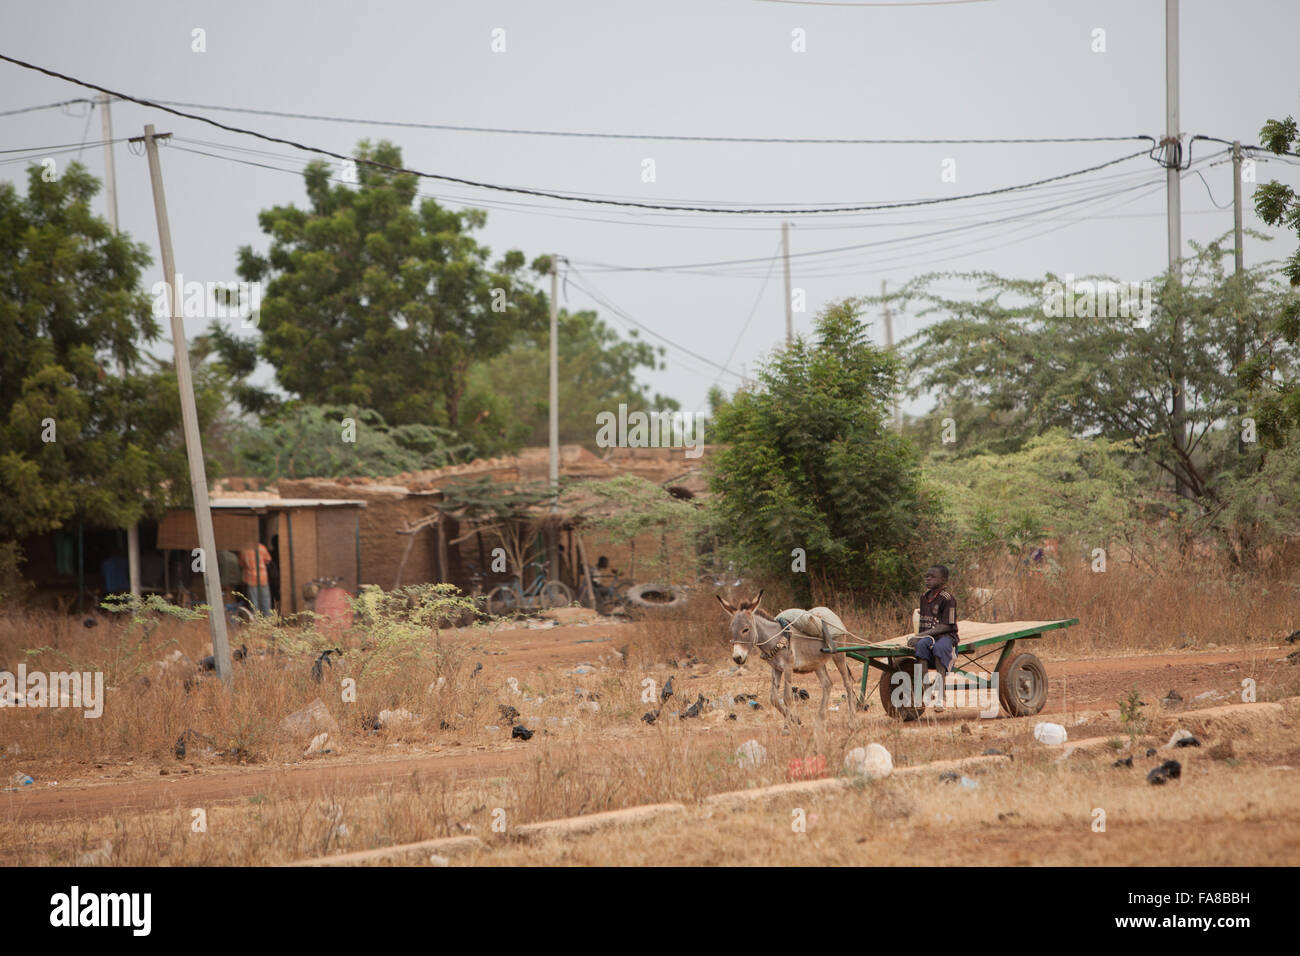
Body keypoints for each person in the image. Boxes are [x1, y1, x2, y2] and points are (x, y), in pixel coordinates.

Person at [907, 565, 958, 712]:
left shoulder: (947, 598)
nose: (928, 579)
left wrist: (919, 636)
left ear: (943, 580)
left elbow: (947, 626)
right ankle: (926, 689)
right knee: (921, 646)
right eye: (927, 576)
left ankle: (941, 696)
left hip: (946, 636)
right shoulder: (924, 597)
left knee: (939, 648)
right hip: (929, 636)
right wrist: (920, 638)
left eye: (932, 576)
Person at [238, 542, 274, 615]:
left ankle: (257, 622)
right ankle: (267, 621)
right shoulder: (262, 547)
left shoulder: (244, 550)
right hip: (263, 577)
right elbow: (268, 559)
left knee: (254, 602)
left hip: (251, 578)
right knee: (265, 600)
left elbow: (241, 563)